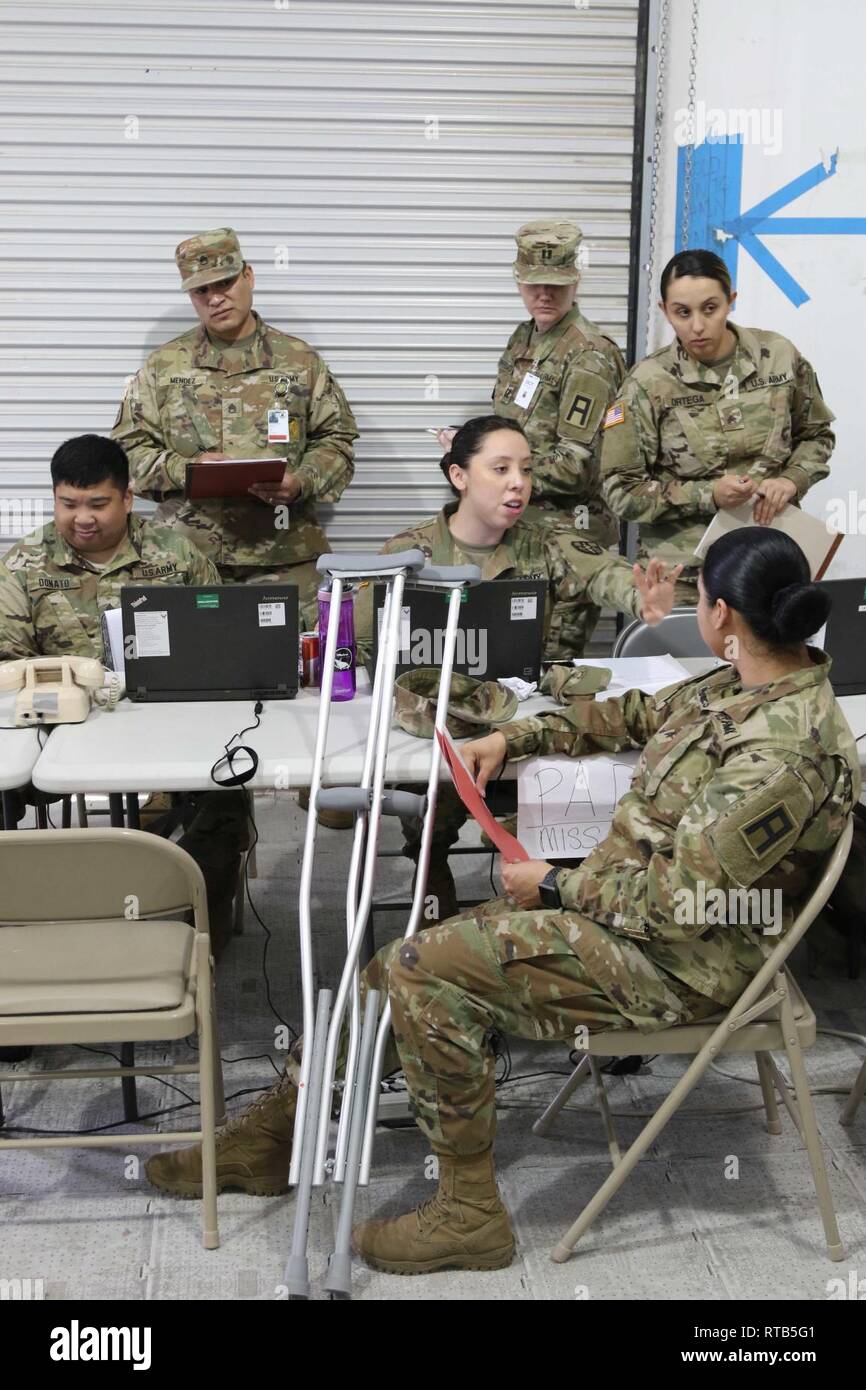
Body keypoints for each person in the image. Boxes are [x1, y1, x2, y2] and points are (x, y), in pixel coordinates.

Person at [142, 522, 857, 1282]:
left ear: (721, 616)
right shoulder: (738, 684)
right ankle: (280, 1133)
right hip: (623, 919)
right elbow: (627, 715)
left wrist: (552, 883)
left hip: (683, 964)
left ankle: (469, 1214)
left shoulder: (782, 752)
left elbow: (678, 902)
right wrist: (512, 740)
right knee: (393, 966)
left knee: (423, 969)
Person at [353, 414, 681, 919]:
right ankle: (433, 929)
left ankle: (550, 925)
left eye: (526, 471)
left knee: (575, 827)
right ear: (459, 476)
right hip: (436, 732)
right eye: (500, 468)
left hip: (529, 732)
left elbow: (604, 573)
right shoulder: (408, 553)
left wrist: (641, 599)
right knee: (428, 832)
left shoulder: (547, 541)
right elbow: (363, 638)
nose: (518, 484)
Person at [0, 434, 249, 957]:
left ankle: (191, 925)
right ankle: (18, 928)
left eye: (97, 504)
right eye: (68, 504)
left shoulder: (176, 554)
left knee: (228, 797)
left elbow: (227, 640)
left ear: (127, 498)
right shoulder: (24, 564)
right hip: (60, 732)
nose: (82, 518)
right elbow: (8, 663)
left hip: (167, 724)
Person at [112, 227, 358, 630]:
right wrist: (185, 469)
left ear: (249, 276)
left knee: (298, 673)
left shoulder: (299, 361)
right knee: (189, 670)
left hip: (284, 554)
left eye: (224, 282)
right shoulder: (164, 366)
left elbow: (338, 441)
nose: (215, 298)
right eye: (200, 291)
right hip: (186, 558)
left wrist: (300, 480)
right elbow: (125, 453)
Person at [601, 248, 835, 604]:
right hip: (686, 579)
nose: (697, 325)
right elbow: (620, 489)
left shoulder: (779, 357)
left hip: (768, 563)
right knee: (682, 660)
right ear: (665, 311)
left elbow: (817, 435)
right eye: (682, 312)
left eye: (710, 308)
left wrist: (792, 480)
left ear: (731, 301)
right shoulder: (647, 384)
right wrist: (707, 495)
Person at [439, 219, 625, 653]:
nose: (544, 294)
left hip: (563, 544)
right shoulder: (524, 339)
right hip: (519, 534)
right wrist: (469, 443)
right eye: (534, 283)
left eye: (556, 284)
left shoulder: (589, 356)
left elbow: (576, 464)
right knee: (504, 665)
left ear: (576, 280)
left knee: (544, 674)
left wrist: (489, 471)